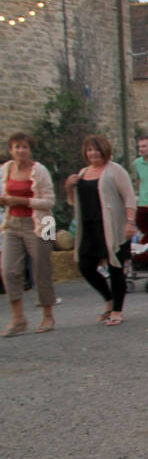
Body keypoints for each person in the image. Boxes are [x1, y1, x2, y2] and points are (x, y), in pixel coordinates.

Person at [66, 135, 136, 327]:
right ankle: (108, 299)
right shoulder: (82, 173)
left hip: (112, 227)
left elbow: (129, 198)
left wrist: (130, 223)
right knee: (85, 266)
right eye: (89, 150)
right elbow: (74, 201)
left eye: (96, 149)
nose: (93, 153)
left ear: (104, 150)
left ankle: (117, 310)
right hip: (89, 227)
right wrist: (69, 186)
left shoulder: (115, 171)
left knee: (115, 268)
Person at [1, 133, 56, 335]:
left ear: (30, 150)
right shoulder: (5, 169)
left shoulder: (39, 170)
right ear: (11, 150)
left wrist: (22, 201)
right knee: (8, 270)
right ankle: (18, 318)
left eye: (24, 147)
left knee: (42, 269)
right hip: (12, 223)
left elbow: (50, 201)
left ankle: (48, 316)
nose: (21, 150)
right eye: (17, 147)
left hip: (43, 223)